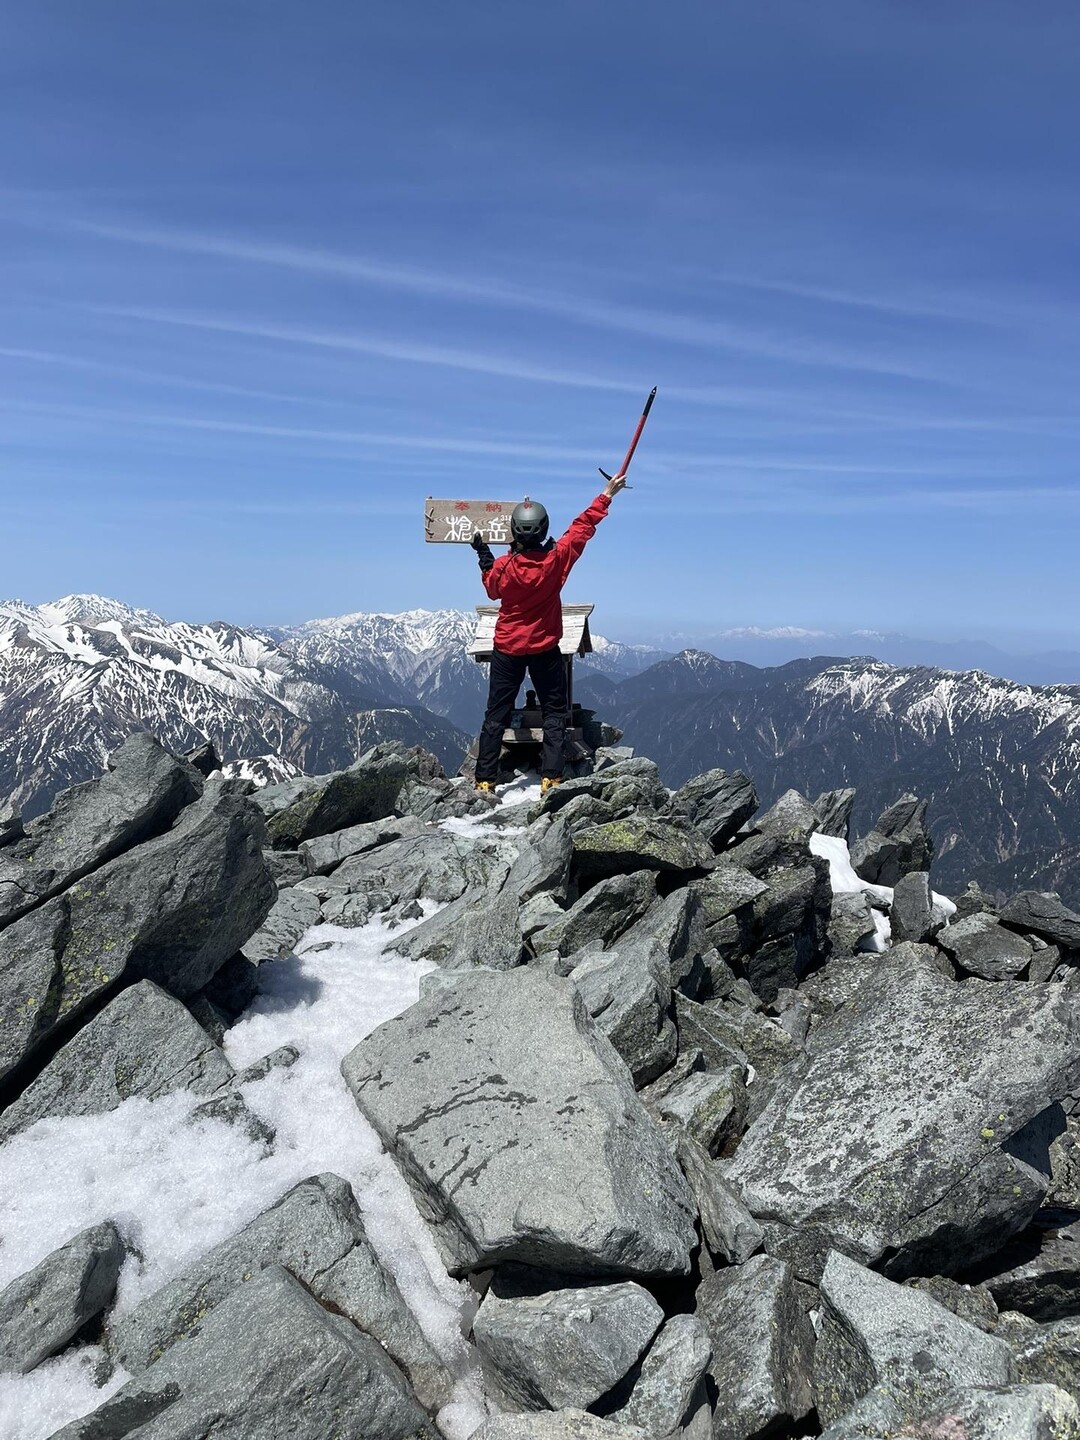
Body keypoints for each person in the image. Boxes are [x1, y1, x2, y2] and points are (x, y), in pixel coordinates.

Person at [469, 472, 627, 795]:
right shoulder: (556, 561)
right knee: (554, 711)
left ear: (514, 532)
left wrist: (483, 553)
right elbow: (582, 529)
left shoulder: (503, 567)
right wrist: (606, 494)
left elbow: (491, 588)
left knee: (496, 713)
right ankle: (551, 778)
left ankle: (485, 780)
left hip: (507, 649)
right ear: (544, 529)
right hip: (544, 648)